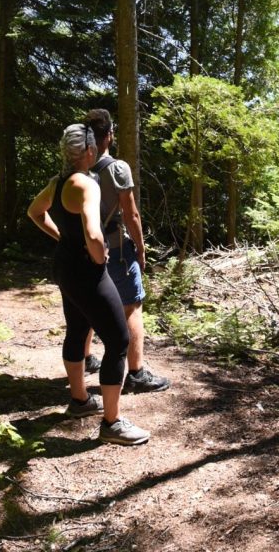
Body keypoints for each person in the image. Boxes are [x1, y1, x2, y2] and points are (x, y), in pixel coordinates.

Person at [27, 123, 150, 445]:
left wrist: (62, 237)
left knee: (77, 329)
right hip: (86, 269)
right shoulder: (88, 184)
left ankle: (80, 401)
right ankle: (112, 423)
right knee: (118, 340)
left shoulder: (58, 183)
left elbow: (34, 212)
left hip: (64, 266)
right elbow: (94, 233)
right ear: (91, 151)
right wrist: (98, 257)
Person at [83, 108, 170, 394]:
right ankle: (136, 373)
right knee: (131, 306)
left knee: (88, 305)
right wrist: (142, 250)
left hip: (83, 248)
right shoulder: (116, 168)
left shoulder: (77, 169)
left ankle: (85, 359)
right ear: (108, 136)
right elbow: (131, 215)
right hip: (116, 250)